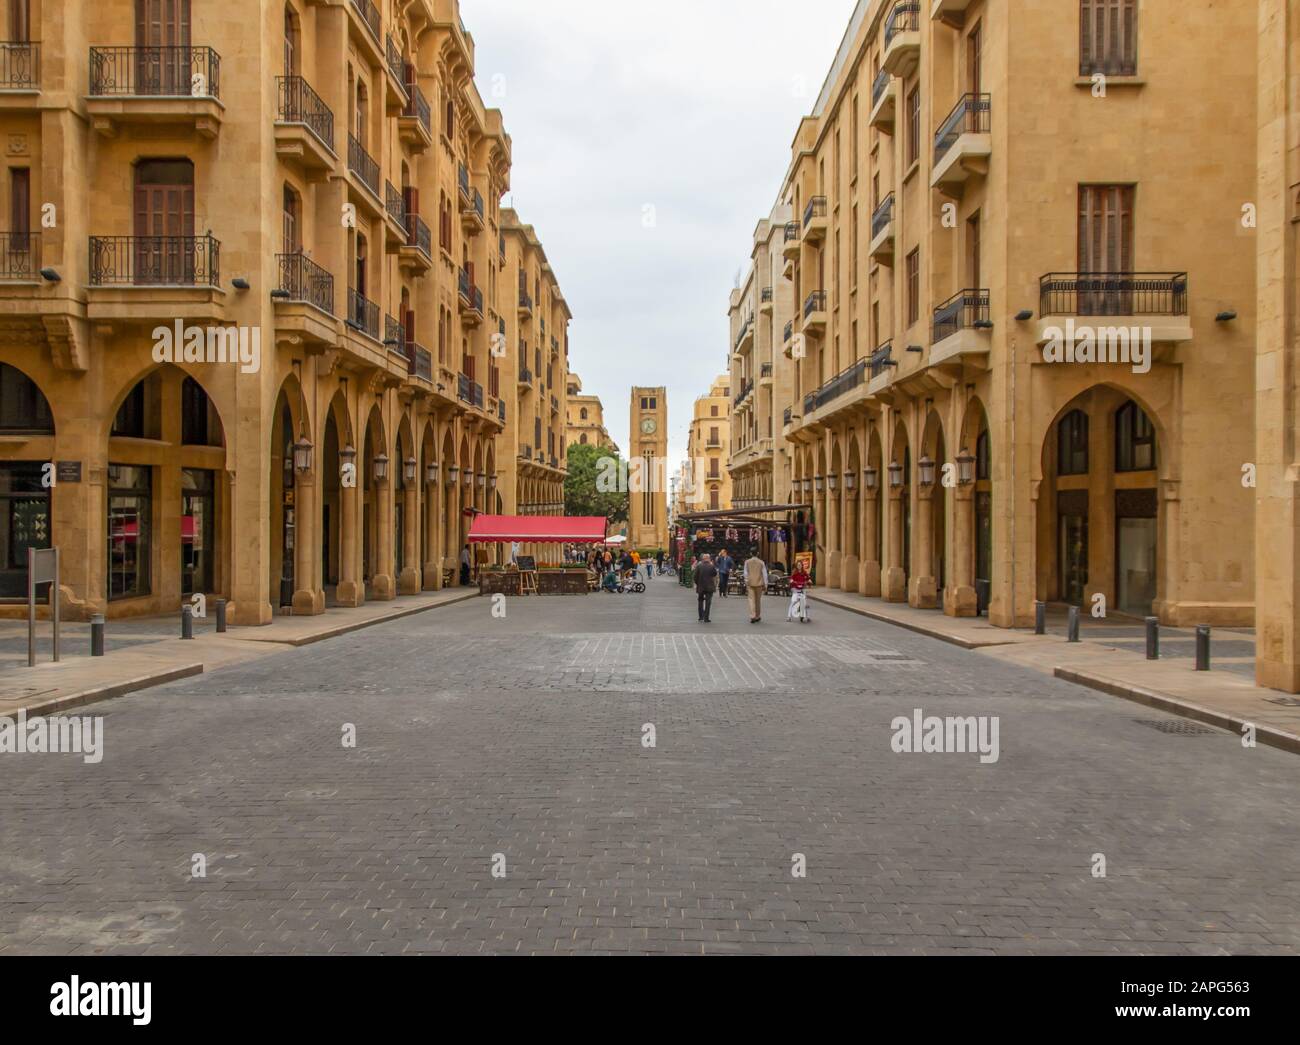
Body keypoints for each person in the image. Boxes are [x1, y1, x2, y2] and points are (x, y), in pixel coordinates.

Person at [743, 552, 769, 623]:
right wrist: (766, 584)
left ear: (751, 553)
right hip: (759, 583)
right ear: (757, 553)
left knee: (751, 600)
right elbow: (764, 574)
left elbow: (745, 573)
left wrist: (746, 581)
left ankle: (752, 616)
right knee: (758, 600)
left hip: (750, 583)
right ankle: (757, 616)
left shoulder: (747, 562)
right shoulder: (761, 562)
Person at [693, 554, 718, 623]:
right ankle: (706, 618)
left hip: (701, 587)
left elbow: (695, 577)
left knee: (700, 601)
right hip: (709, 587)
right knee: (708, 602)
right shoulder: (711, 566)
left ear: (703, 559)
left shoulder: (699, 566)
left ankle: (701, 617)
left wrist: (698, 583)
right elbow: (715, 574)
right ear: (709, 559)